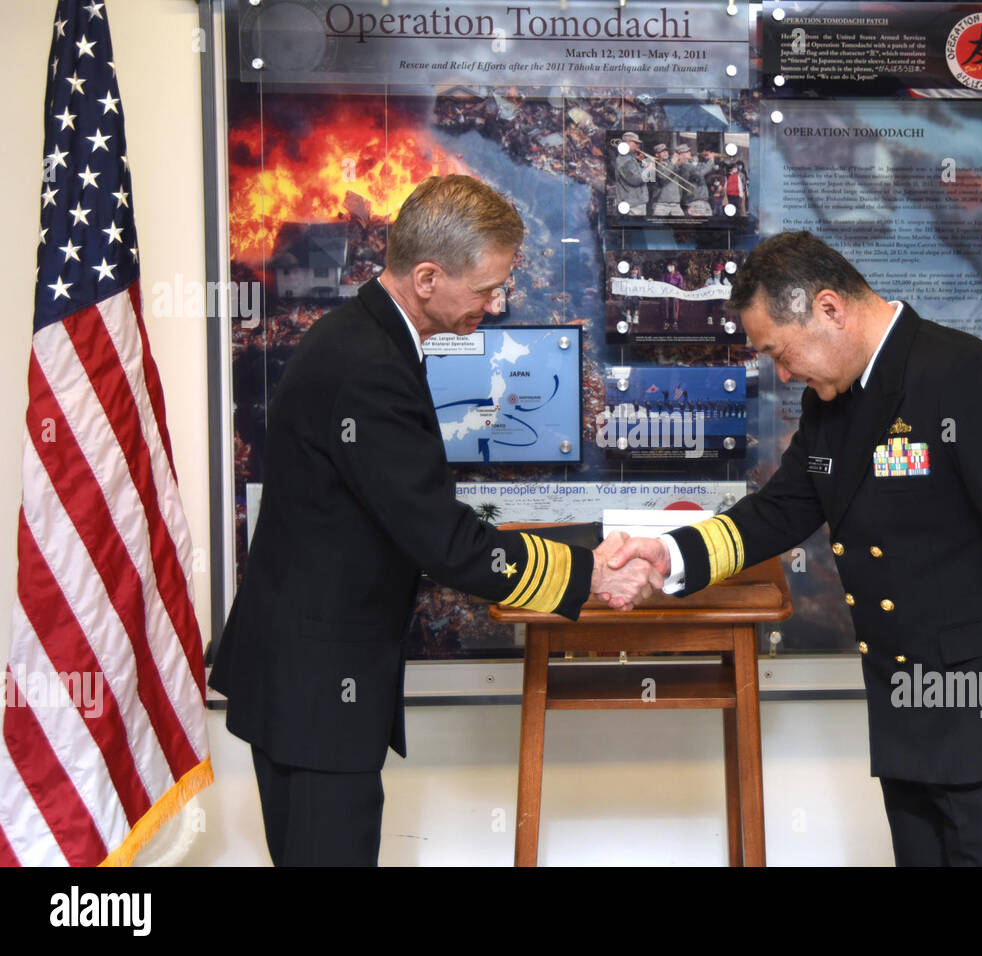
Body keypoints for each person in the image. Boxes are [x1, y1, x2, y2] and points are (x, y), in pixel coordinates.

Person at [209, 175, 658, 866]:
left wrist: (585, 551)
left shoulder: (361, 336)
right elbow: (443, 541)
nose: (496, 302)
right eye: (485, 288)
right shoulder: (371, 368)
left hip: (303, 675)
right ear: (426, 277)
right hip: (318, 688)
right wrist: (589, 572)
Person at [607, 231, 982, 866]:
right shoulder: (832, 401)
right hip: (908, 715)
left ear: (829, 308)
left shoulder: (964, 377)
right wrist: (671, 556)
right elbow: (780, 510)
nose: (782, 373)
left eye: (779, 352)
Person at [613, 131, 652, 216]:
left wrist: (642, 163)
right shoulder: (625, 160)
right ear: (627, 142)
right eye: (636, 143)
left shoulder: (630, 157)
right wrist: (648, 168)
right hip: (632, 204)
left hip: (637, 202)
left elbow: (639, 174)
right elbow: (635, 179)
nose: (638, 146)